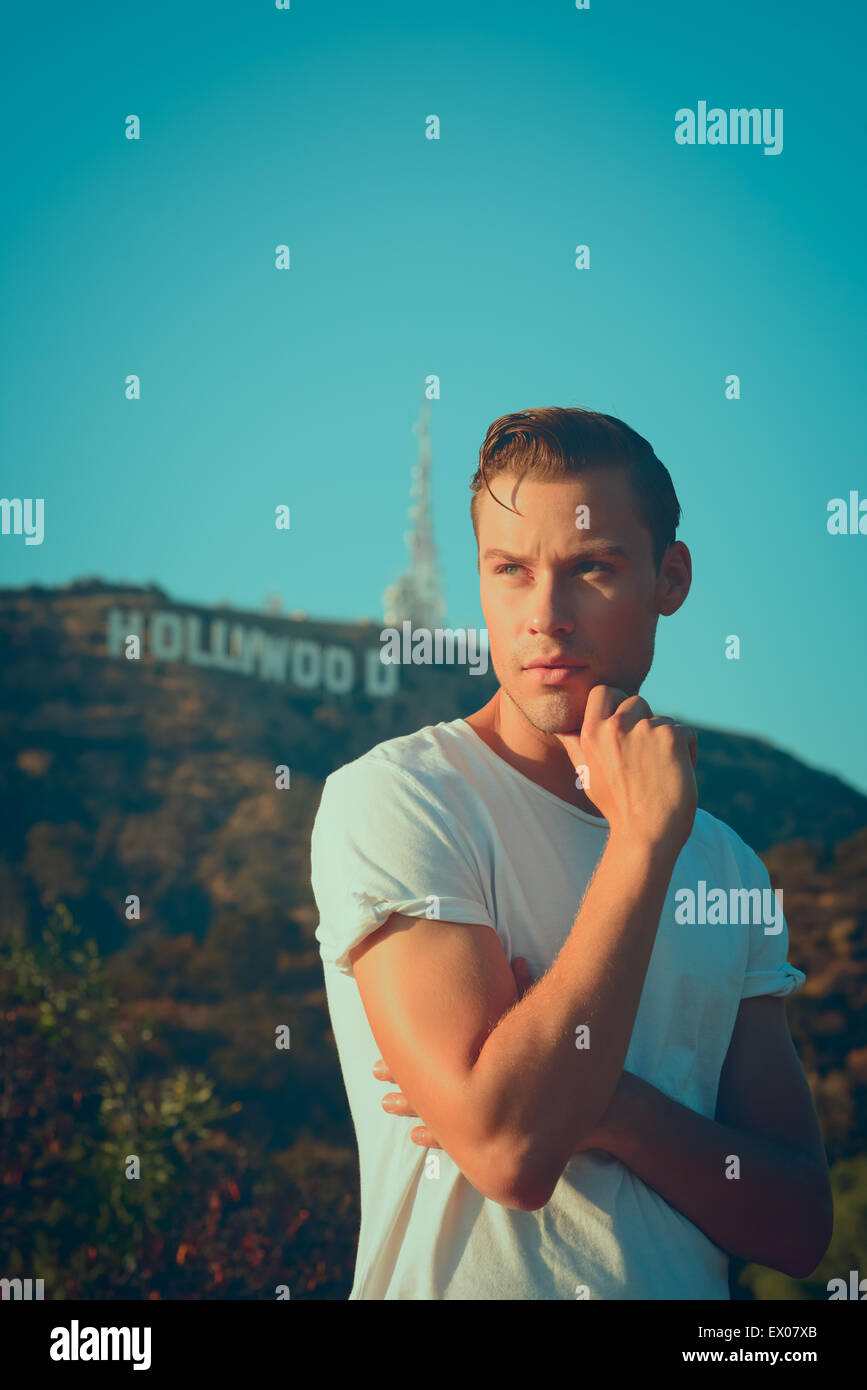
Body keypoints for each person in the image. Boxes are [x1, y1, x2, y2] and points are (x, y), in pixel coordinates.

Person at [309, 406, 833, 1300]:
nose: (543, 615)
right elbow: (510, 1151)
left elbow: (795, 1224)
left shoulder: (728, 867)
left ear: (670, 578)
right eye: (509, 571)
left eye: (590, 568)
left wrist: (612, 1109)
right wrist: (638, 846)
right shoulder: (402, 798)